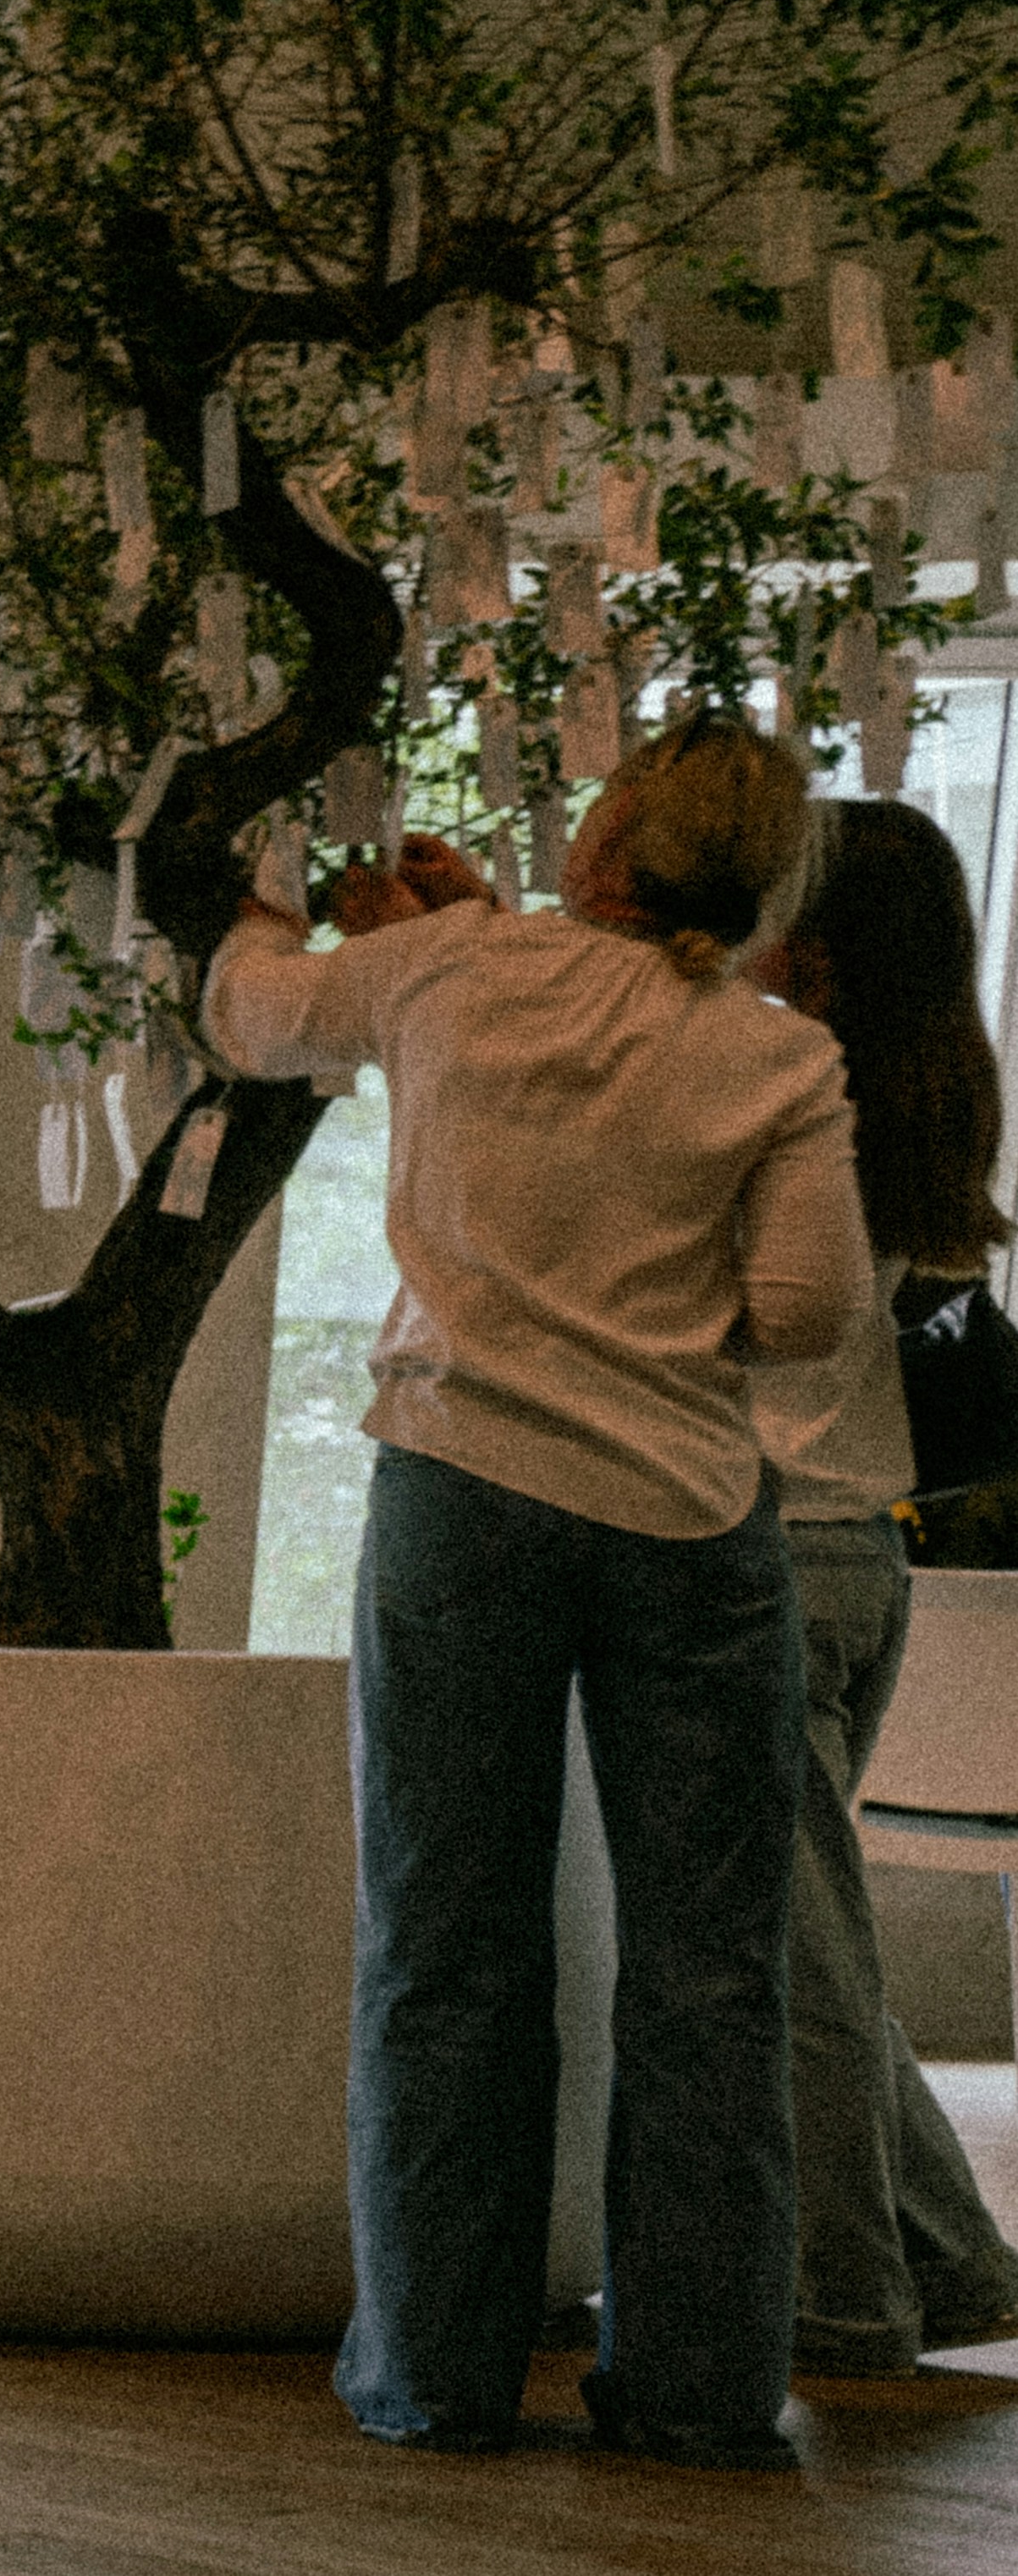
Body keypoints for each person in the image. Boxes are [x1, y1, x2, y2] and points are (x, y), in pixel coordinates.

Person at [212, 713, 855, 2468]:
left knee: (444, 1943)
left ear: (605, 833)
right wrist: (647, 1335)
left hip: (460, 1501)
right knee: (708, 1968)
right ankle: (699, 2388)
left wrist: (284, 921)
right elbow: (802, 1308)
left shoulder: (448, 973)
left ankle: (430, 2372)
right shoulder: (775, 1056)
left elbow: (252, 1022)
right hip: (686, 1523)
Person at [755, 798, 1018, 2378]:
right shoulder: (923, 1101)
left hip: (772, 1553)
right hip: (863, 1555)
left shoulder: (782, 1098)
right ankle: (951, 2261)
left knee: (792, 1960)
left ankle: (848, 2297)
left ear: (823, 953)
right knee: (807, 1943)